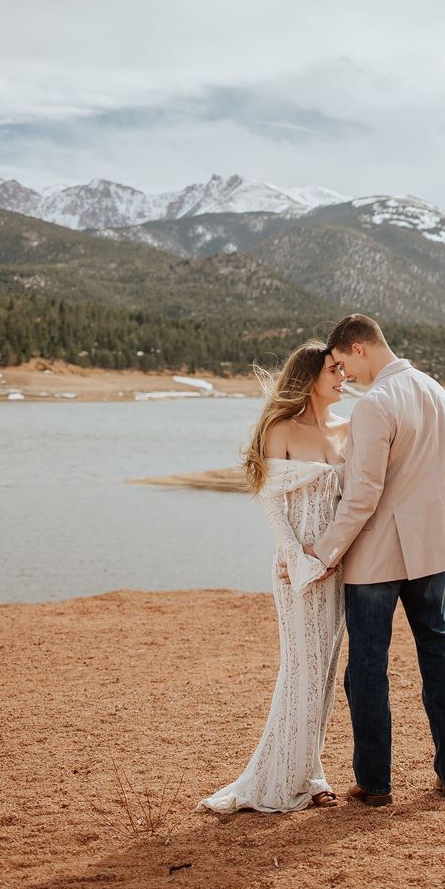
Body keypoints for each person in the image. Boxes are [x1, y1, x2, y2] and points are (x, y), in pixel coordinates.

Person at [305, 313, 445, 806]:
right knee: (440, 657)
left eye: (340, 363)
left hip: (378, 556)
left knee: (367, 669)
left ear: (359, 348)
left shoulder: (376, 404)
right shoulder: (436, 390)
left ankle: (375, 784)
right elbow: (444, 472)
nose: (342, 375)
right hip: (432, 549)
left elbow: (362, 495)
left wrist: (325, 550)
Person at [197, 343, 347, 814]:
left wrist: (337, 553)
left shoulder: (349, 429)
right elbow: (271, 501)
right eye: (333, 370)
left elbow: (354, 500)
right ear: (309, 378)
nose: (343, 376)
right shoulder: (281, 429)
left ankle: (310, 771)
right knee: (301, 669)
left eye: (343, 368)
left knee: (324, 674)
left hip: (340, 567)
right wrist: (293, 554)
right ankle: (288, 777)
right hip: (296, 570)